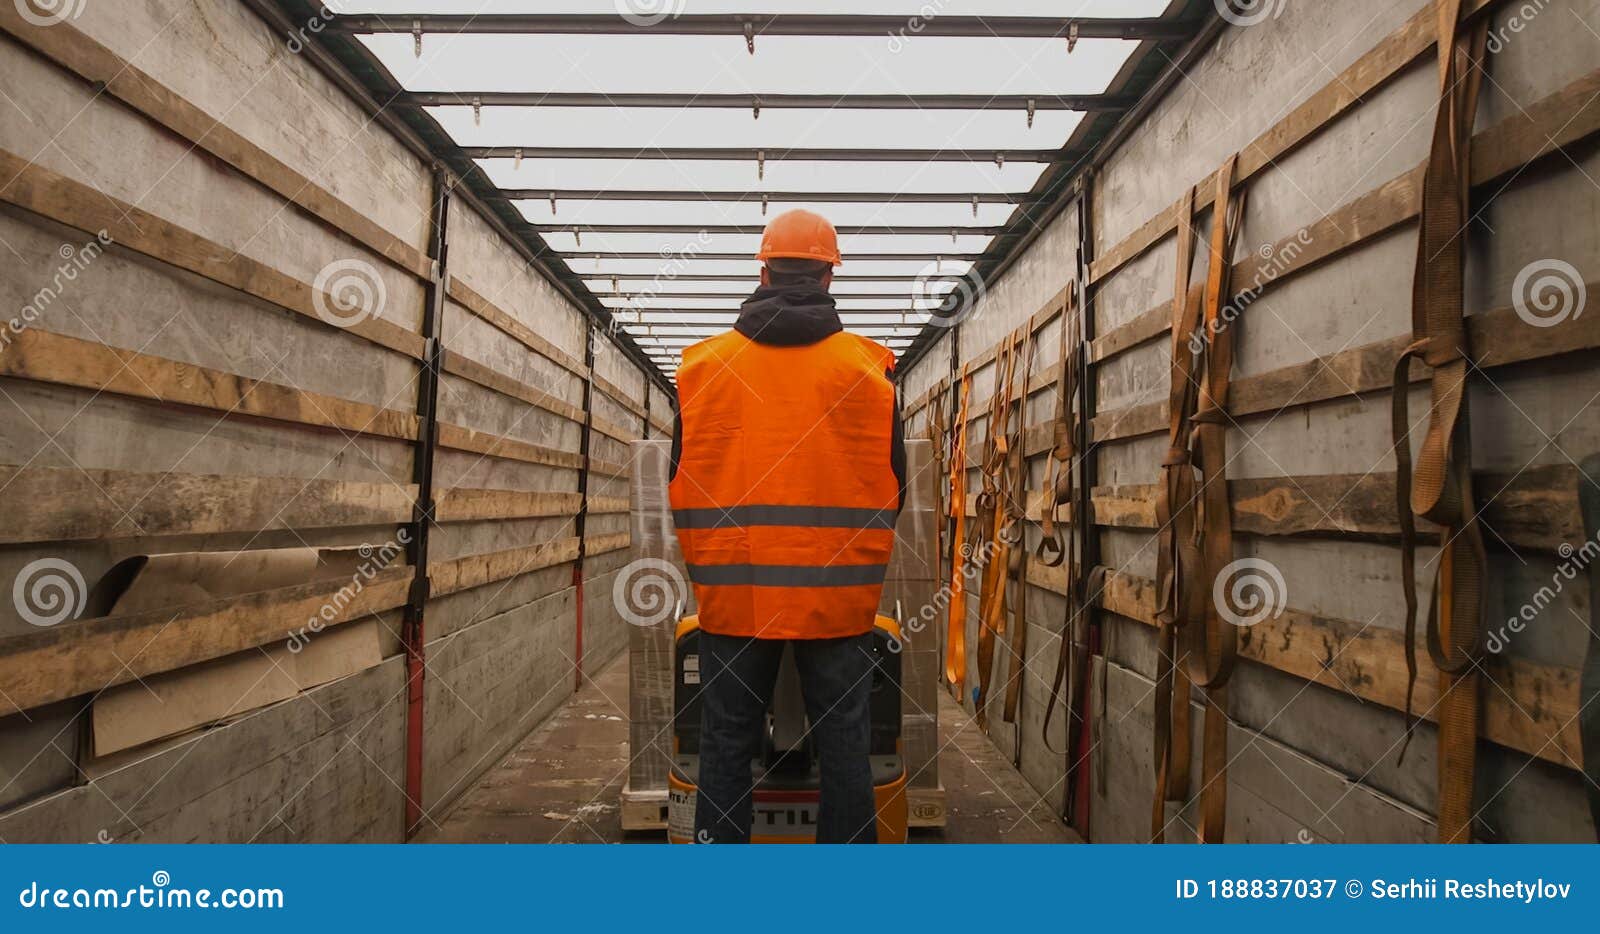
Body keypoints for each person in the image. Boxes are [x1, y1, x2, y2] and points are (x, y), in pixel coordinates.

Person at [668, 209, 906, 844]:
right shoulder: (869, 373)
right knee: (846, 746)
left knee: (724, 743)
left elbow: (677, 479)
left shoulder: (701, 371)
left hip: (734, 604)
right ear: (830, 276)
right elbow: (896, 485)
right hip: (838, 606)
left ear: (764, 270)